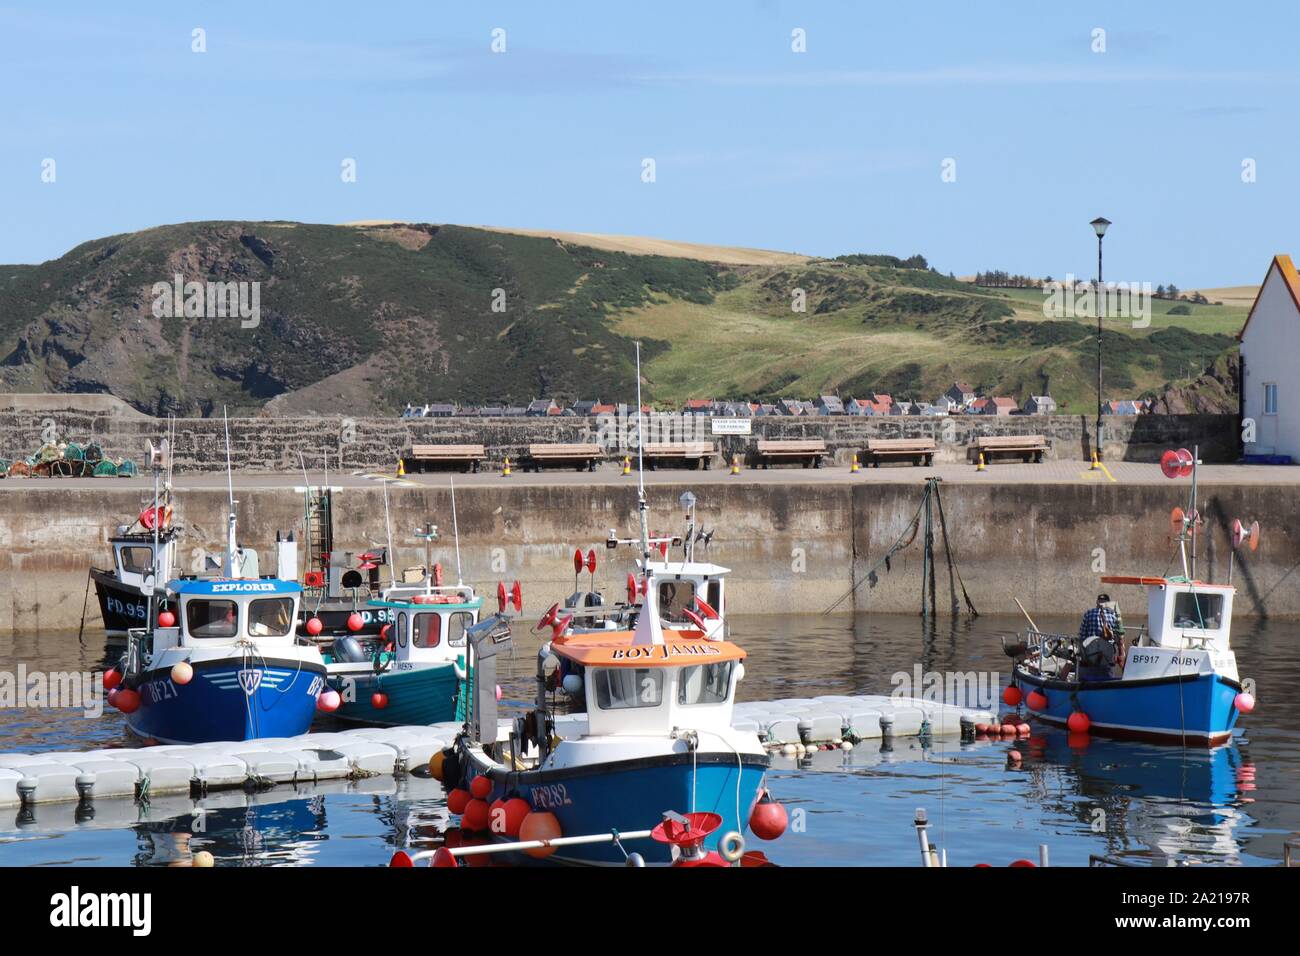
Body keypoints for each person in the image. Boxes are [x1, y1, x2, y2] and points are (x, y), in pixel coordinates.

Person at [1075, 593, 1124, 680]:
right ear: (1108, 603)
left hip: (1090, 654)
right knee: (1108, 676)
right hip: (1107, 655)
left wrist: (1081, 654)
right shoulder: (1113, 615)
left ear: (1097, 602)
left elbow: (1082, 636)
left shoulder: (1088, 614)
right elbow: (1118, 638)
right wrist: (1120, 653)